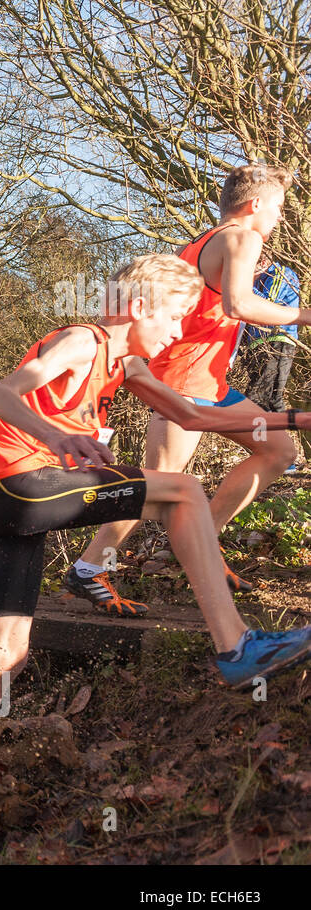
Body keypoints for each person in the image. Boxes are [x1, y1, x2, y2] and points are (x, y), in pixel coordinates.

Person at [0, 253, 311, 701]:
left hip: (8, 509)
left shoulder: (125, 365)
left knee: (7, 653)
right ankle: (237, 646)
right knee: (184, 492)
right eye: (173, 317)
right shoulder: (81, 341)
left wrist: (297, 419)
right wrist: (56, 438)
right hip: (21, 484)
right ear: (139, 306)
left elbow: (191, 416)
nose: (177, 331)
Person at [67, 165, 310, 615]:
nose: (279, 218)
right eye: (277, 208)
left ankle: (201, 542)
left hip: (210, 384)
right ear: (255, 205)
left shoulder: (204, 240)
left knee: (277, 450)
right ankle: (87, 569)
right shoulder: (242, 237)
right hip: (182, 380)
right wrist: (303, 315)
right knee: (157, 486)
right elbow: (241, 303)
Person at [238, 254, 303, 473]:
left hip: (276, 340)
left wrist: (244, 286)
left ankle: (271, 455)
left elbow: (267, 305)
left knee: (256, 398)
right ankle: (284, 459)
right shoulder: (258, 277)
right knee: (273, 401)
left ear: (263, 262)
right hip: (258, 343)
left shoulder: (280, 273)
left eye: (250, 269)